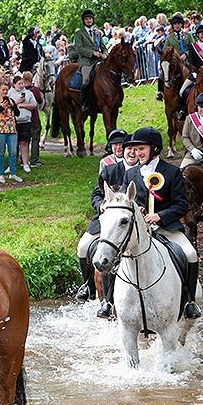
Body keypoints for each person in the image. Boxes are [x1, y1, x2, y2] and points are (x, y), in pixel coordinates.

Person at [122, 127, 201, 319]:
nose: (137, 153)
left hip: (167, 229)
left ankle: (189, 301)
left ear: (154, 149)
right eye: (136, 149)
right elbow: (126, 202)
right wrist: (138, 211)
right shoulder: (130, 174)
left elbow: (182, 204)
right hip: (139, 232)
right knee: (115, 256)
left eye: (141, 148)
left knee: (190, 254)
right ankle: (108, 302)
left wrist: (160, 216)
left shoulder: (172, 172)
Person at [76, 128, 130, 318]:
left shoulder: (137, 168)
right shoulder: (108, 168)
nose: (118, 147)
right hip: (107, 219)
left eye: (121, 144)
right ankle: (88, 286)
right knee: (83, 247)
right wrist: (101, 206)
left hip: (127, 222)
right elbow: (96, 194)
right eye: (115, 144)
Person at [73, 9, 105, 112]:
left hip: (98, 60)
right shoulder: (79, 33)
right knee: (86, 79)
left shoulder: (98, 33)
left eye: (90, 18)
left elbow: (103, 47)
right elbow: (79, 49)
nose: (89, 20)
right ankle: (84, 102)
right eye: (86, 19)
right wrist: (92, 53)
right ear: (84, 21)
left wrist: (105, 54)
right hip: (86, 61)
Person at [158, 13, 191, 102]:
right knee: (162, 73)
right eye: (175, 24)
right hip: (174, 63)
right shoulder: (169, 38)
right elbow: (165, 51)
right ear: (172, 25)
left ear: (182, 25)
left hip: (187, 62)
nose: (177, 25)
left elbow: (193, 47)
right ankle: (160, 92)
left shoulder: (188, 35)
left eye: (179, 24)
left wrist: (186, 54)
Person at [7, 75, 37, 173]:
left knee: (24, 142)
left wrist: (23, 105)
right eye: (19, 84)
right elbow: (7, 106)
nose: (21, 85)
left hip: (25, 121)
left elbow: (34, 105)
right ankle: (11, 164)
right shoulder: (10, 93)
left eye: (22, 83)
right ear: (14, 84)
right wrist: (17, 102)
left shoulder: (28, 93)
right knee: (13, 144)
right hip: (13, 122)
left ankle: (25, 163)